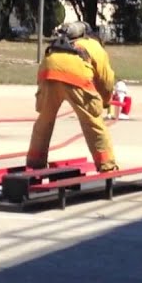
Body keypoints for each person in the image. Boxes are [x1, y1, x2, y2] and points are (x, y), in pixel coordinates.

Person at [27, 21, 119, 172]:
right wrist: (106, 100)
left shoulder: (61, 43)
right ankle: (106, 165)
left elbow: (44, 66)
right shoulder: (95, 46)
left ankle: (35, 161)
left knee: (44, 120)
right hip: (76, 76)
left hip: (48, 73)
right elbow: (106, 80)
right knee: (93, 122)